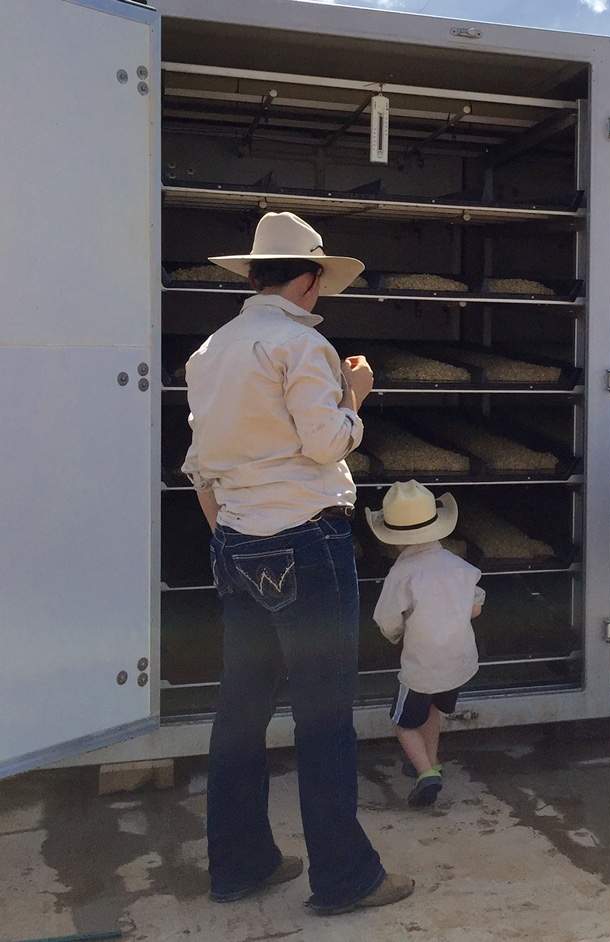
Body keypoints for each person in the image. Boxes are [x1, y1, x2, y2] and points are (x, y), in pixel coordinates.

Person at [182, 211, 413, 914]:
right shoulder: (301, 346)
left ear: (255, 275)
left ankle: (239, 864)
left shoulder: (210, 351)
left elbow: (201, 466)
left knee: (241, 708)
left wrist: (233, 537)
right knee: (323, 717)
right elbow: (325, 443)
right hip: (306, 541)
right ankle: (345, 877)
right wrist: (356, 394)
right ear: (309, 279)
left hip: (237, 540)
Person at [368, 481, 485, 807]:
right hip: (457, 662)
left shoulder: (402, 574)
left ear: (393, 538)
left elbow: (387, 619)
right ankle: (431, 761)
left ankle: (426, 774)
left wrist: (395, 635)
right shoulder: (458, 566)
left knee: (403, 723)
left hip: (422, 667)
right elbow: (475, 608)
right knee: (433, 711)